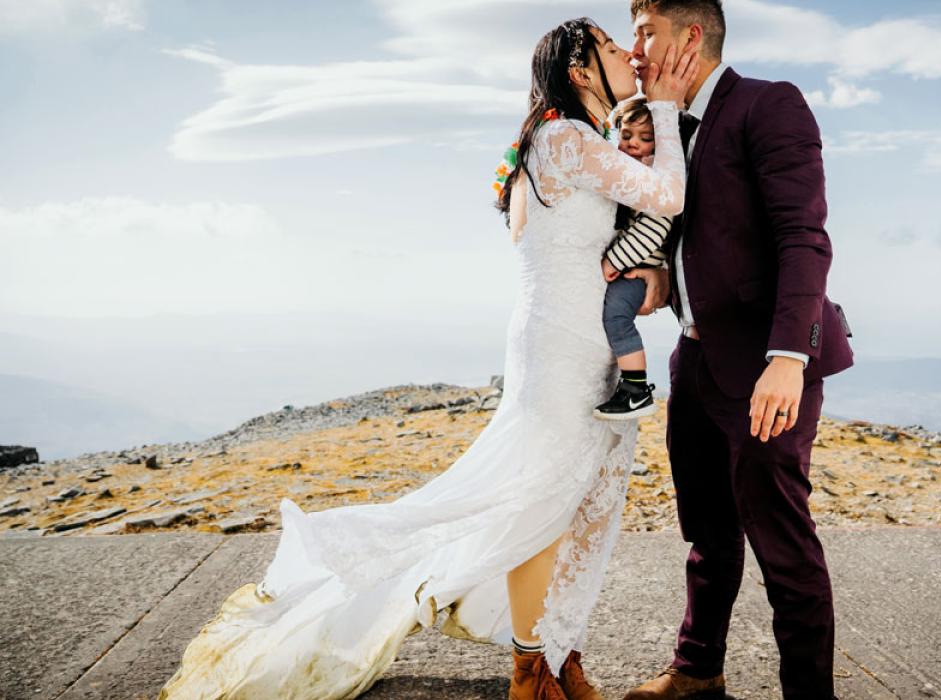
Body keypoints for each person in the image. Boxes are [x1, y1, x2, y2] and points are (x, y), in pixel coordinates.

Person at [156, 17, 699, 700]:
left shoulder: (576, 139)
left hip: (589, 348)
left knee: (586, 509)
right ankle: (530, 671)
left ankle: (561, 654)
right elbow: (668, 197)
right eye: (613, 48)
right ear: (582, 70)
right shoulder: (563, 138)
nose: (626, 55)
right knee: (541, 509)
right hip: (561, 350)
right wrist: (667, 112)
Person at [617, 2, 855, 699]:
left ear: (691, 36)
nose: (634, 49)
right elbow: (690, 228)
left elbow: (803, 236)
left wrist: (788, 358)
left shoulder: (768, 104)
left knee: (784, 546)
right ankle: (698, 672)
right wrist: (663, 272)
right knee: (707, 531)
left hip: (767, 366)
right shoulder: (663, 123)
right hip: (694, 358)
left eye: (646, 31)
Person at [594, 97, 674, 420]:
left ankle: (636, 388)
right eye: (626, 136)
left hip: (643, 267)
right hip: (632, 265)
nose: (633, 144)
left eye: (645, 138)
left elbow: (652, 231)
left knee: (616, 314)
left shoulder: (657, 179)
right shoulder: (628, 173)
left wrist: (611, 262)